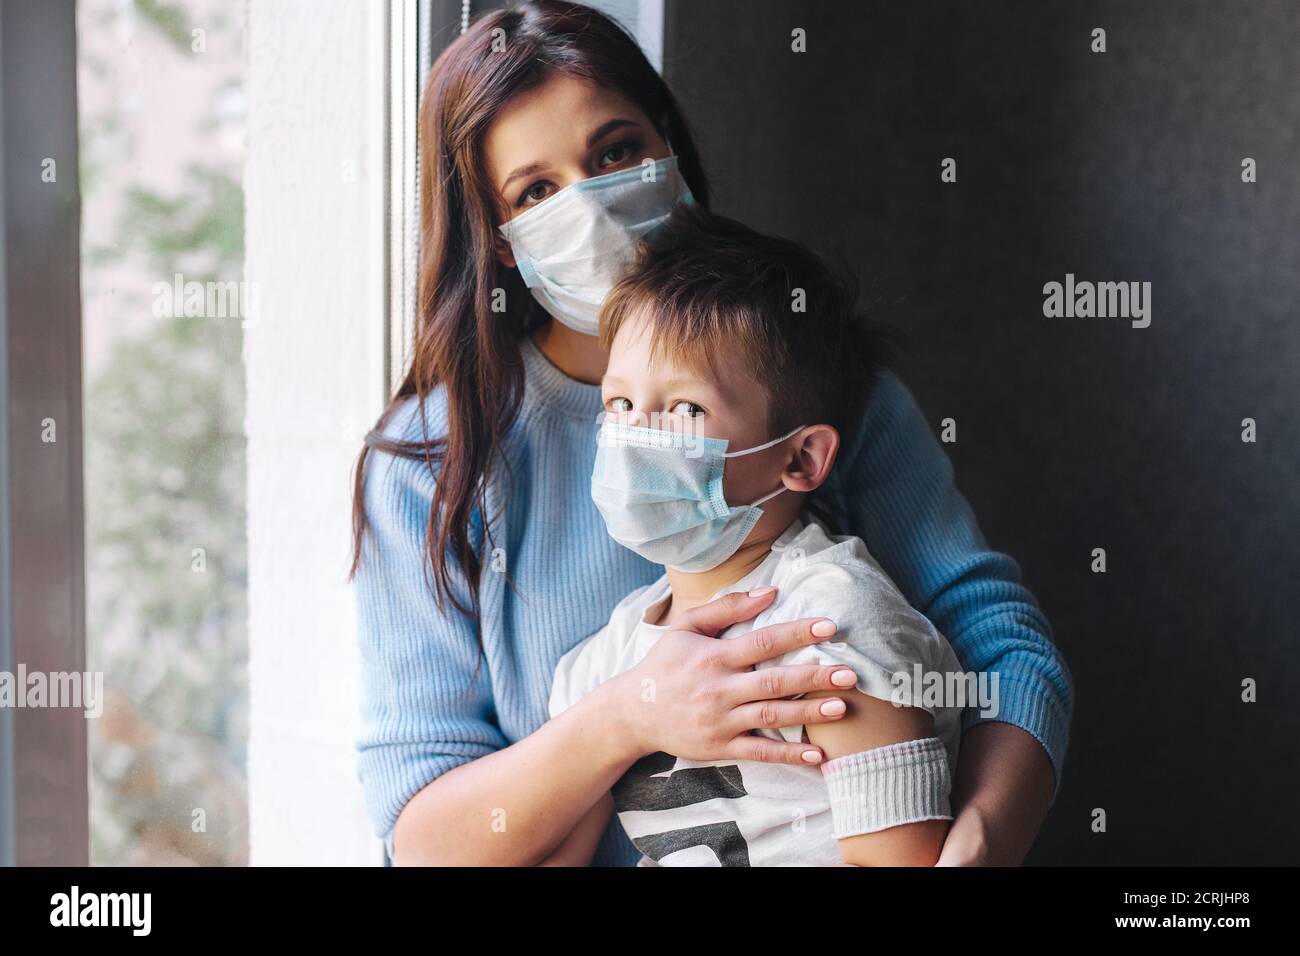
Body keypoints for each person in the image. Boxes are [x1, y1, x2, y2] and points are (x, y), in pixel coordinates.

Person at [351, 0, 1072, 866]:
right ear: (500, 243)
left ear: (669, 153)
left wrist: (981, 840)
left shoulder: (814, 381)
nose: (591, 207)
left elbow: (1002, 649)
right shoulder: (432, 463)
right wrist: (627, 714)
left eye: (615, 152)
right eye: (536, 191)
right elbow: (424, 838)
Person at [548, 207, 965, 866]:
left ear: (799, 460)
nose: (635, 437)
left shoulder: (834, 627)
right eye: (621, 405)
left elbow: (900, 861)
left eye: (686, 409)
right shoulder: (602, 666)